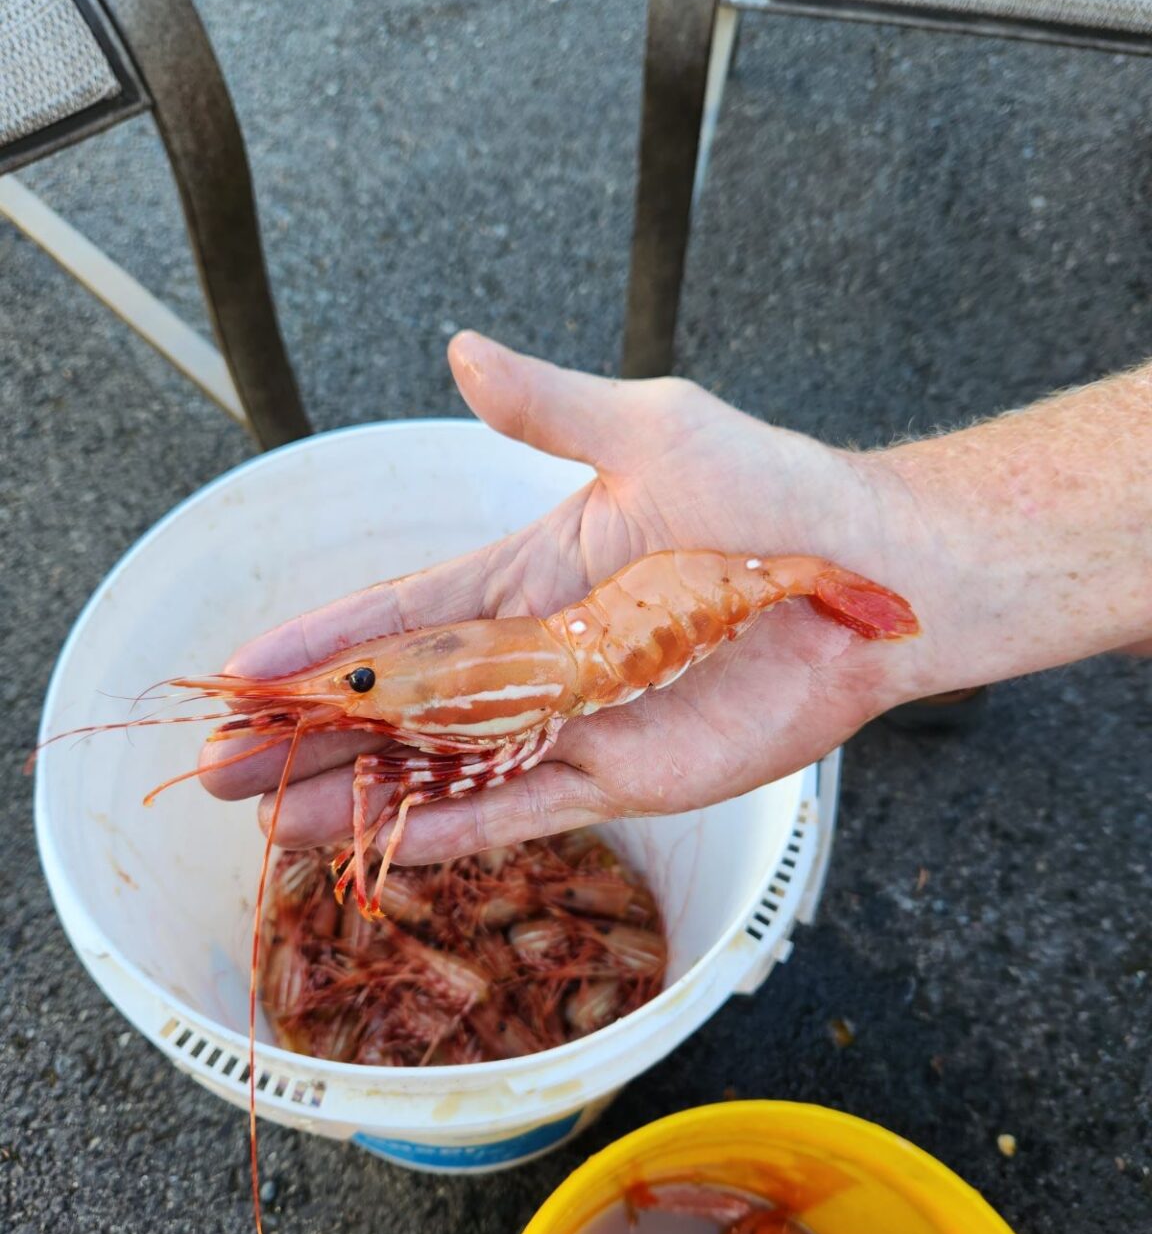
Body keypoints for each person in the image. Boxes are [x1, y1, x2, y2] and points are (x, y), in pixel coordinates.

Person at [203, 332, 1152, 863]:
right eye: (363, 678)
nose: (360, 680)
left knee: (381, 765)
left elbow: (467, 734)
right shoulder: (464, 654)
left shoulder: (510, 672)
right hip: (612, 630)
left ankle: (827, 581)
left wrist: (865, 533)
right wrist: (355, 689)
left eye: (362, 676)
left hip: (663, 620)